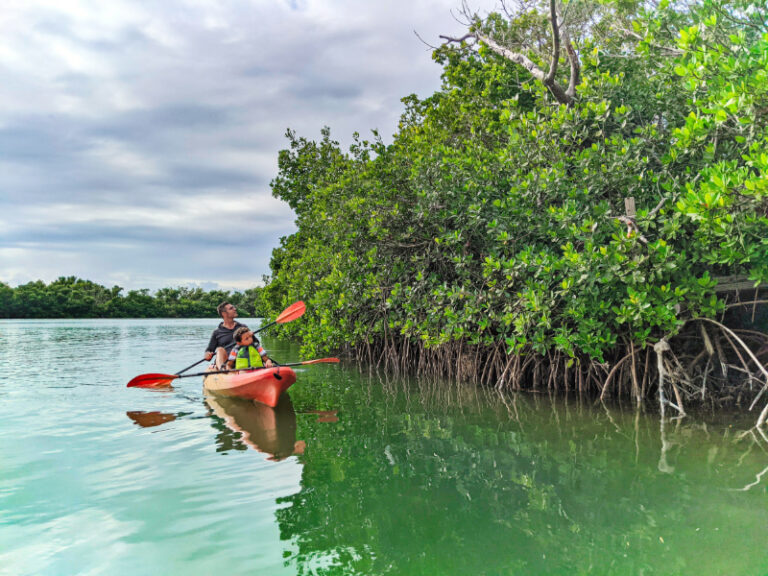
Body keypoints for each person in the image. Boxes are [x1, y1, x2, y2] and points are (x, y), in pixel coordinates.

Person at [205, 301, 246, 369]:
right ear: (224, 314)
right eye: (231, 308)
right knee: (220, 350)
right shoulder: (217, 332)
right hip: (226, 362)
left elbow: (256, 345)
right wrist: (207, 354)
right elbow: (209, 350)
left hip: (242, 359)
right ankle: (223, 370)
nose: (235, 309)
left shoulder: (243, 328)